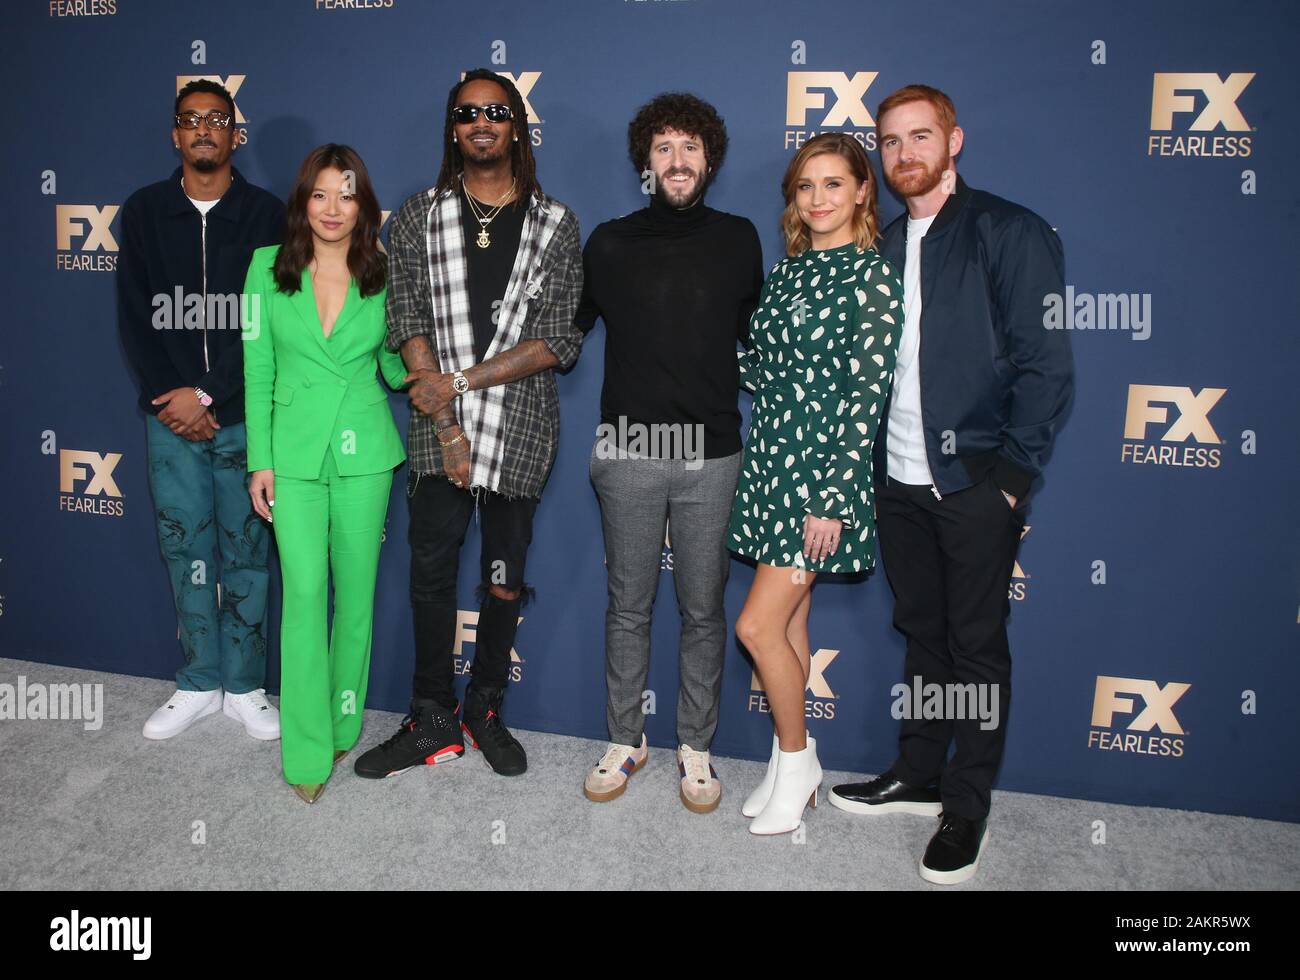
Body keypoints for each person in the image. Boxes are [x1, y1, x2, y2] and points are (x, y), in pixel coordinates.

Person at [828, 85, 1073, 884]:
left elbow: (1047, 367)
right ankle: (920, 772)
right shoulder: (887, 243)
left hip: (972, 486)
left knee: (976, 651)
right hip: (895, 483)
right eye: (890, 142)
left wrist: (1009, 482)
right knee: (924, 637)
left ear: (954, 140)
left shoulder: (1010, 231)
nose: (904, 155)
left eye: (919, 137)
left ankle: (966, 808)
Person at [353, 69, 583, 780]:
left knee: (504, 576)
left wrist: (460, 381)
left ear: (516, 124)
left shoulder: (556, 223)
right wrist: (450, 423)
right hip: (435, 426)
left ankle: (485, 706)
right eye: (466, 113)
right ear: (453, 129)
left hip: (521, 423)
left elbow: (558, 342)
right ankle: (429, 716)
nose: (481, 122)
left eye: (495, 111)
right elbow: (407, 320)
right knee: (430, 572)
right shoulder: (418, 216)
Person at [576, 93, 763, 813]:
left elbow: (760, 341)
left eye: (690, 148)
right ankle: (627, 740)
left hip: (712, 455)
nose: (677, 161)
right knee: (628, 607)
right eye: (663, 148)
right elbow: (562, 336)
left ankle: (696, 747)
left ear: (708, 159)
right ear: (644, 163)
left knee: (704, 610)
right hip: (629, 451)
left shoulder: (740, 239)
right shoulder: (609, 242)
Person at [730, 133, 902, 836]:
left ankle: (799, 763)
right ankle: (784, 758)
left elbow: (866, 399)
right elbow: (764, 371)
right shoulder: (790, 273)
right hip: (771, 464)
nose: (819, 199)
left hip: (820, 484)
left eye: (834, 184)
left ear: (864, 191)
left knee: (756, 625)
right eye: (806, 186)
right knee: (792, 626)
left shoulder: (873, 278)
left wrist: (832, 499)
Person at [117, 79, 284, 743]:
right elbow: (135, 317)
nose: (205, 130)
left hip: (245, 417)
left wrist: (211, 394)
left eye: (218, 119)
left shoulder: (267, 214)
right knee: (184, 550)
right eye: (192, 120)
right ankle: (199, 678)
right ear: (176, 134)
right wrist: (177, 400)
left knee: (247, 553)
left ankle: (245, 685)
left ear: (234, 134)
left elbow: (268, 321)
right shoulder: (145, 210)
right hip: (169, 420)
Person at [243, 145, 408, 804]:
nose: (333, 209)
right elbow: (257, 370)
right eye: (320, 194)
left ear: (363, 204)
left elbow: (395, 370)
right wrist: (261, 459)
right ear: (302, 202)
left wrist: (431, 367)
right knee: (306, 596)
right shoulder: (263, 269)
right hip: (293, 455)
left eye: (347, 194)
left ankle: (344, 721)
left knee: (356, 601)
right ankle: (307, 748)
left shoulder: (389, 270)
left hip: (366, 454)